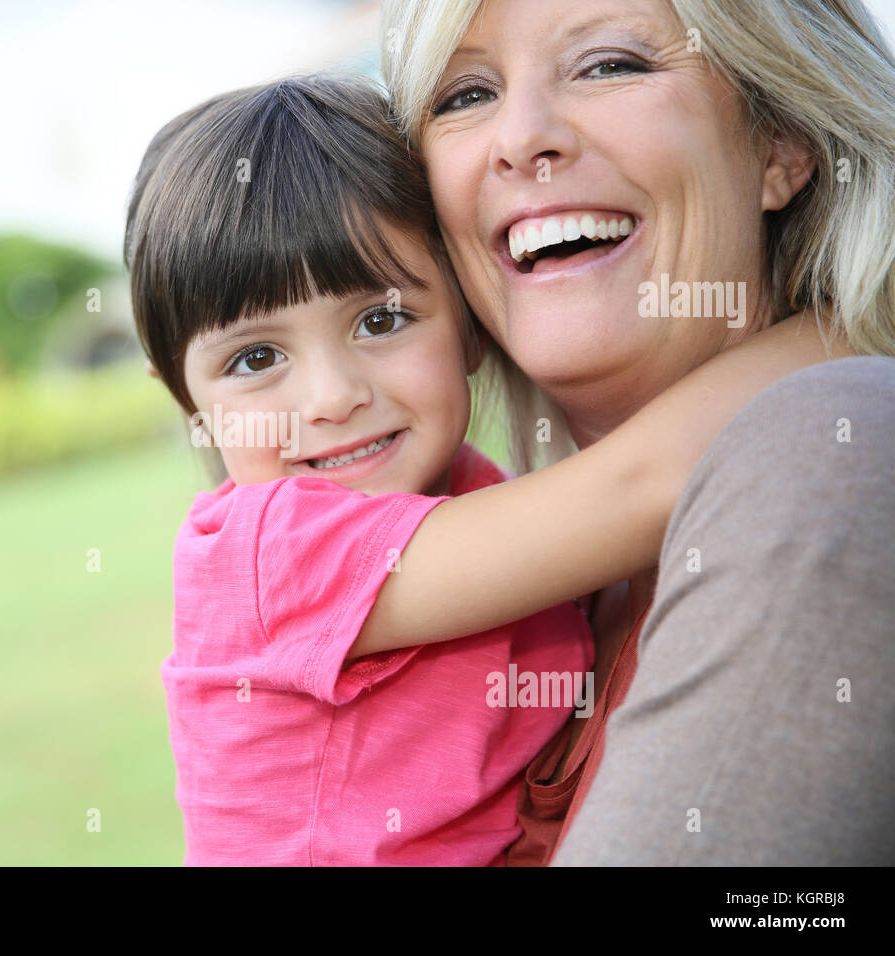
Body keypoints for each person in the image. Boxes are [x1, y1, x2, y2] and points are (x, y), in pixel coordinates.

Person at [123, 72, 852, 864]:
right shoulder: (272, 552)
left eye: (381, 319)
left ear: (470, 323)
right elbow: (644, 482)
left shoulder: (478, 496)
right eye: (256, 357)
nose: (333, 397)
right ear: (184, 395)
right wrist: (856, 325)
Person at [379, 0, 895, 863]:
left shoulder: (834, 446)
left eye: (610, 64)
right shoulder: (536, 594)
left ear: (783, 146)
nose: (520, 137)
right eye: (465, 93)